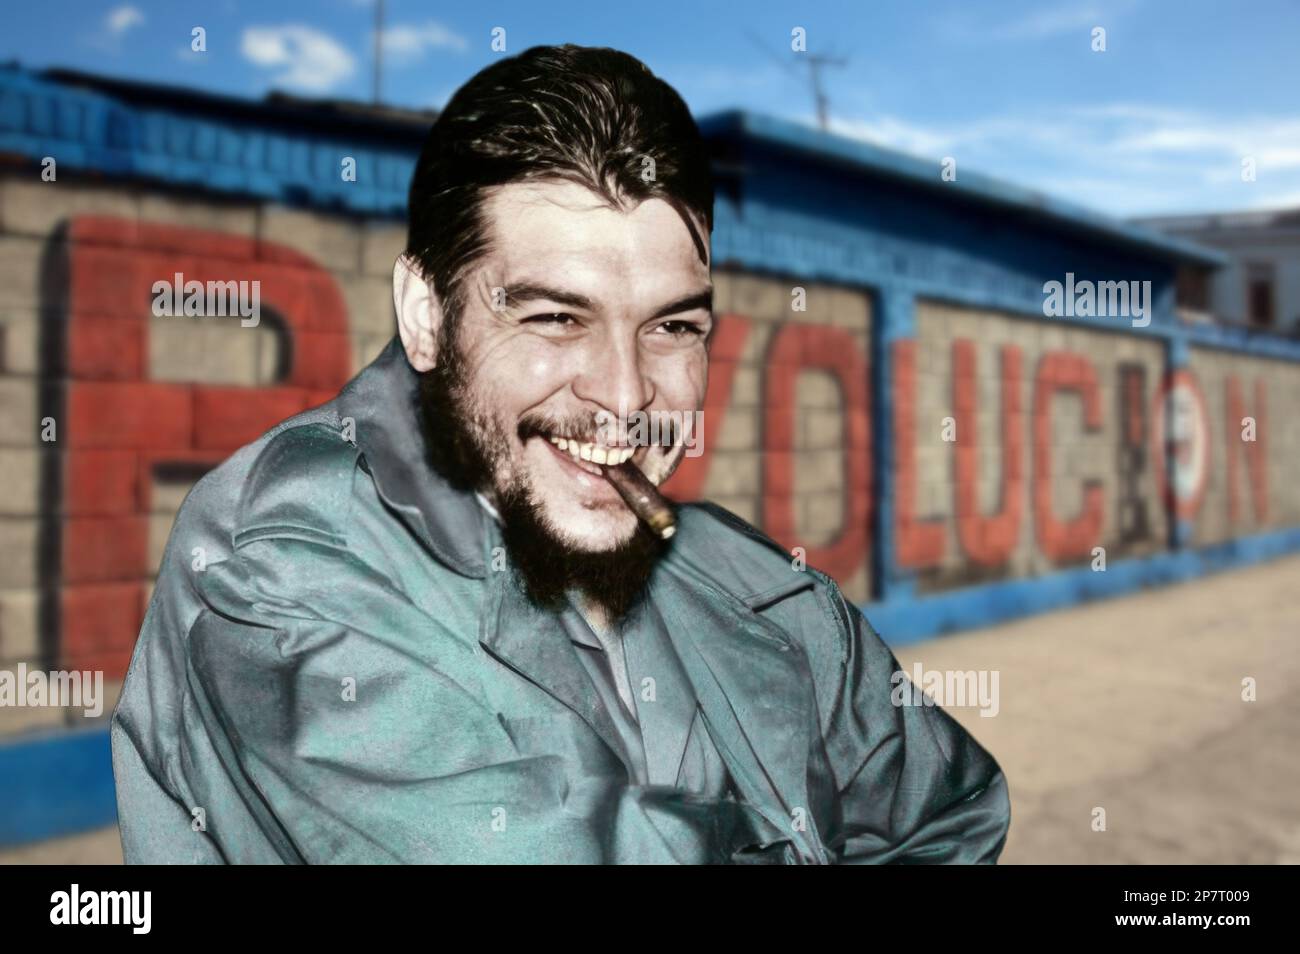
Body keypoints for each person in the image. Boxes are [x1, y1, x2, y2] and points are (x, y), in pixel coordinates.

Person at [111, 44, 1010, 864]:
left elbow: (949, 816)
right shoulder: (282, 559)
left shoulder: (759, 589)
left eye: (670, 327)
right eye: (554, 317)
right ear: (428, 314)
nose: (624, 396)